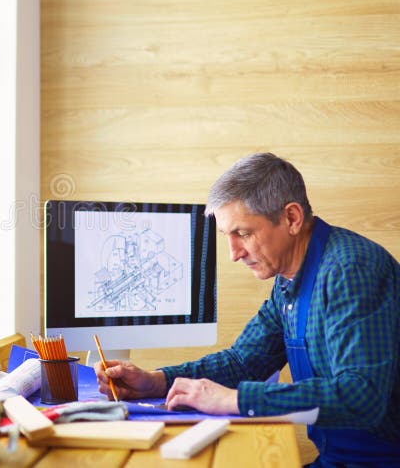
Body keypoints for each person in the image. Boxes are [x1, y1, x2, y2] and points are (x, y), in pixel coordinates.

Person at [94, 153, 400, 466]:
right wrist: (157, 381)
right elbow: (243, 362)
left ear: (291, 218)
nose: (234, 254)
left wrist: (236, 399)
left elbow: (362, 396)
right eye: (228, 236)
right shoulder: (288, 281)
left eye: (244, 233)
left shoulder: (351, 271)